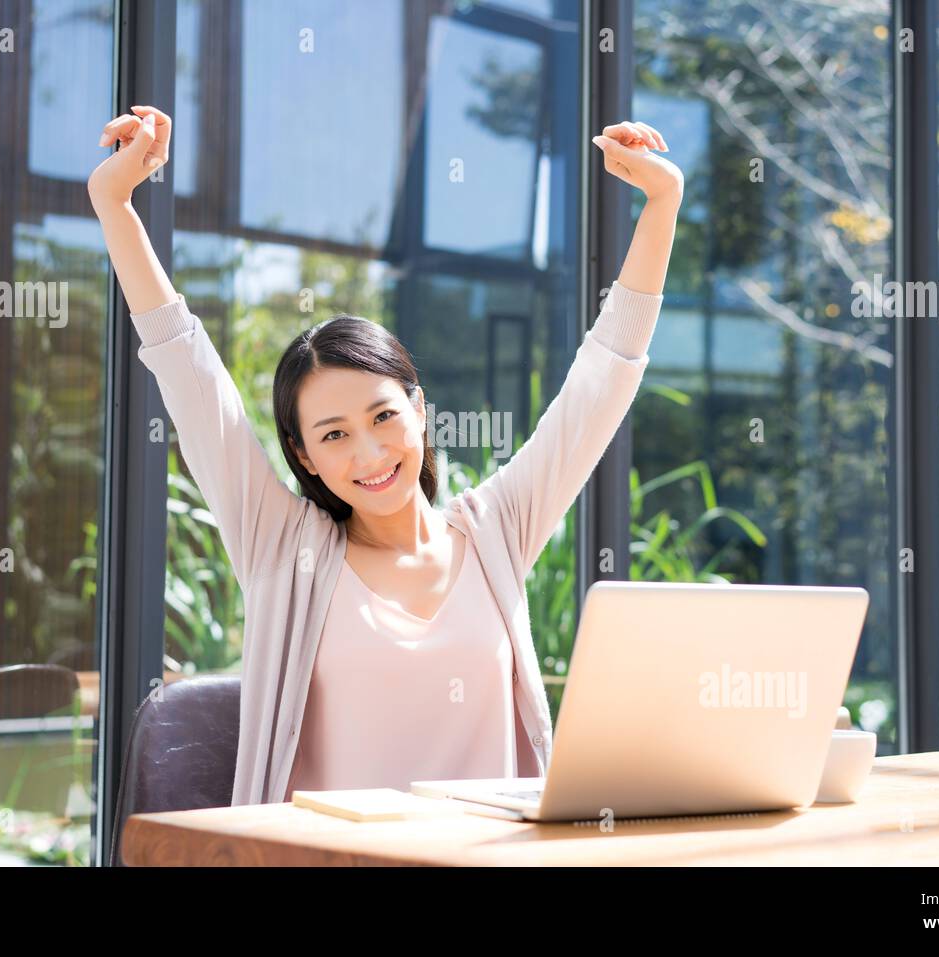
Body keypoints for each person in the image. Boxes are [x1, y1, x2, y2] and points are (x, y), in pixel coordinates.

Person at [88, 106, 682, 805]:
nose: (369, 452)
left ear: (420, 413)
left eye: (383, 416)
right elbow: (188, 373)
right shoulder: (283, 547)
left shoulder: (497, 530)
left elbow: (603, 376)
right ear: (303, 456)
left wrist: (662, 204)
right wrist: (115, 204)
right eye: (334, 433)